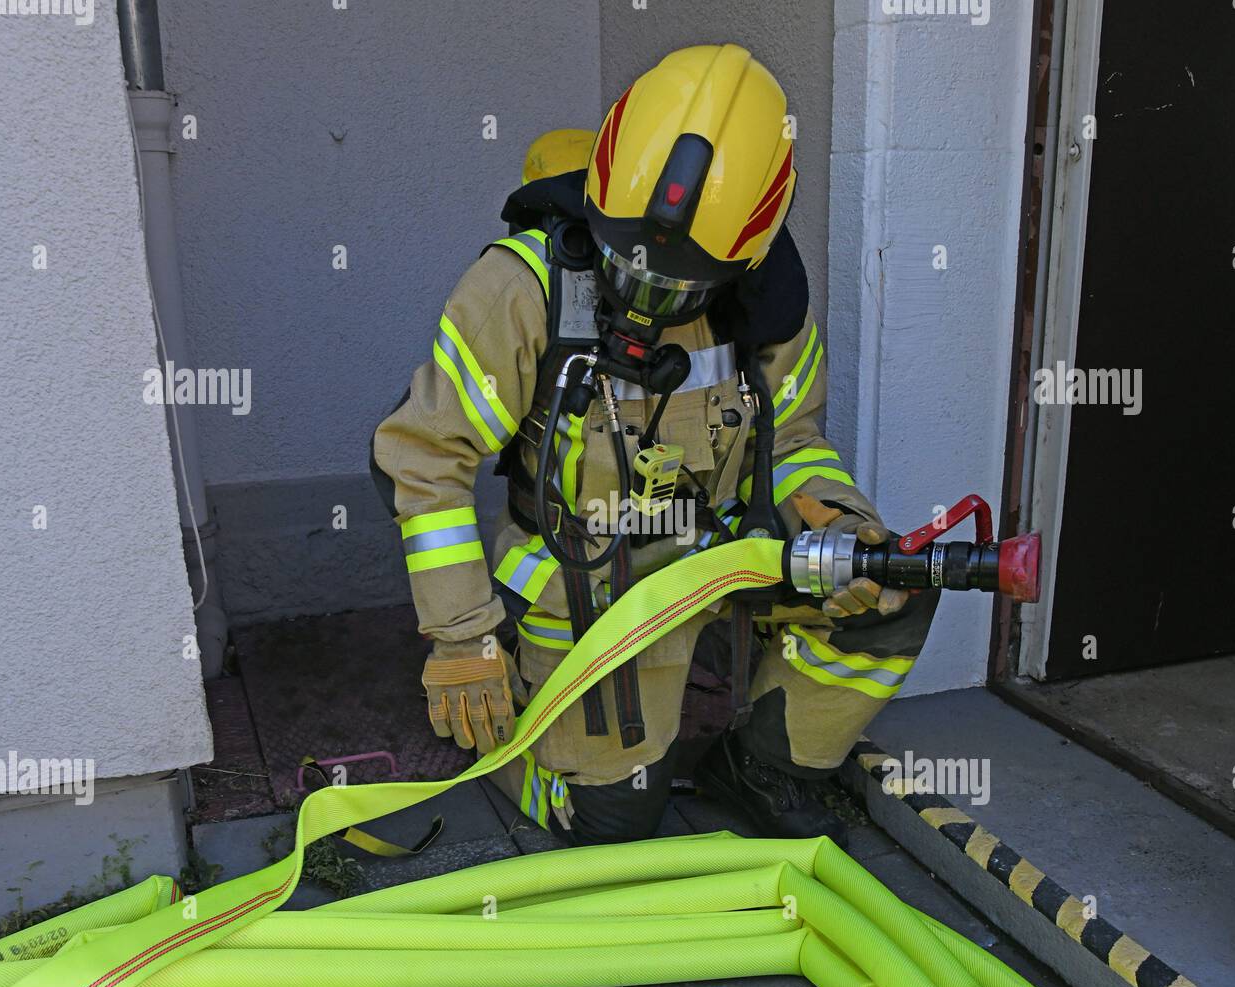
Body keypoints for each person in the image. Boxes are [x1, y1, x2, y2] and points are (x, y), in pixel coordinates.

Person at [373, 44, 937, 847]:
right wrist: (461, 633)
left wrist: (831, 515)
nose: (643, 295)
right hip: (587, 584)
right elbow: (421, 453)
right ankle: (520, 738)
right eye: (624, 261)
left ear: (746, 251)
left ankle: (764, 766)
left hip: (721, 557)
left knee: (889, 588)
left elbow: (799, 434)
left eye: (676, 287)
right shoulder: (521, 288)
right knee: (616, 822)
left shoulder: (767, 300)